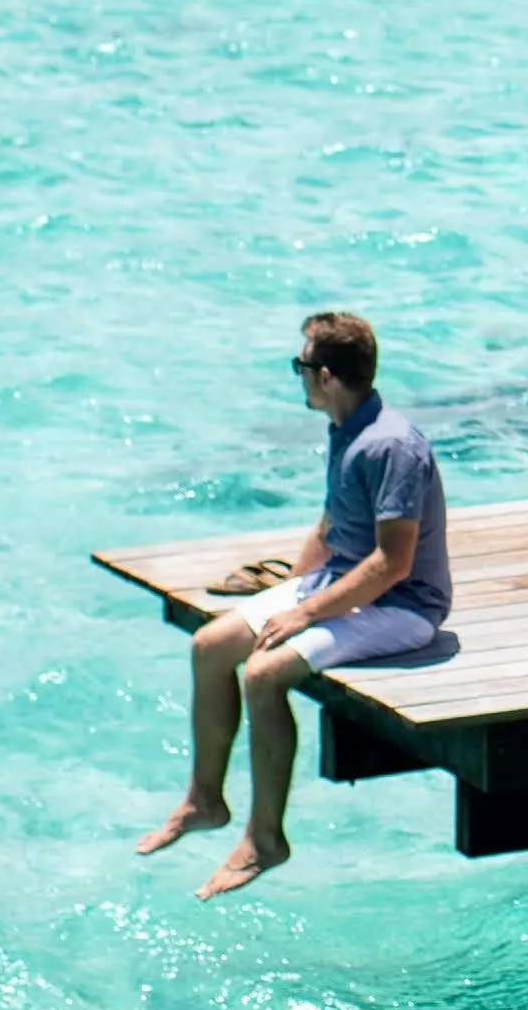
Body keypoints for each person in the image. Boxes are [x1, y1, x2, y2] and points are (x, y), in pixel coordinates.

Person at [140, 308, 453, 896]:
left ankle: (265, 839)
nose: (299, 376)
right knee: (211, 646)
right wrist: (288, 585)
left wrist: (305, 613)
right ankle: (204, 799)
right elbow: (334, 521)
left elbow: (395, 563)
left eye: (301, 366)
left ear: (327, 375)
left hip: (404, 607)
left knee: (264, 673)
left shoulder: (392, 446)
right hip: (346, 586)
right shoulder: (347, 428)